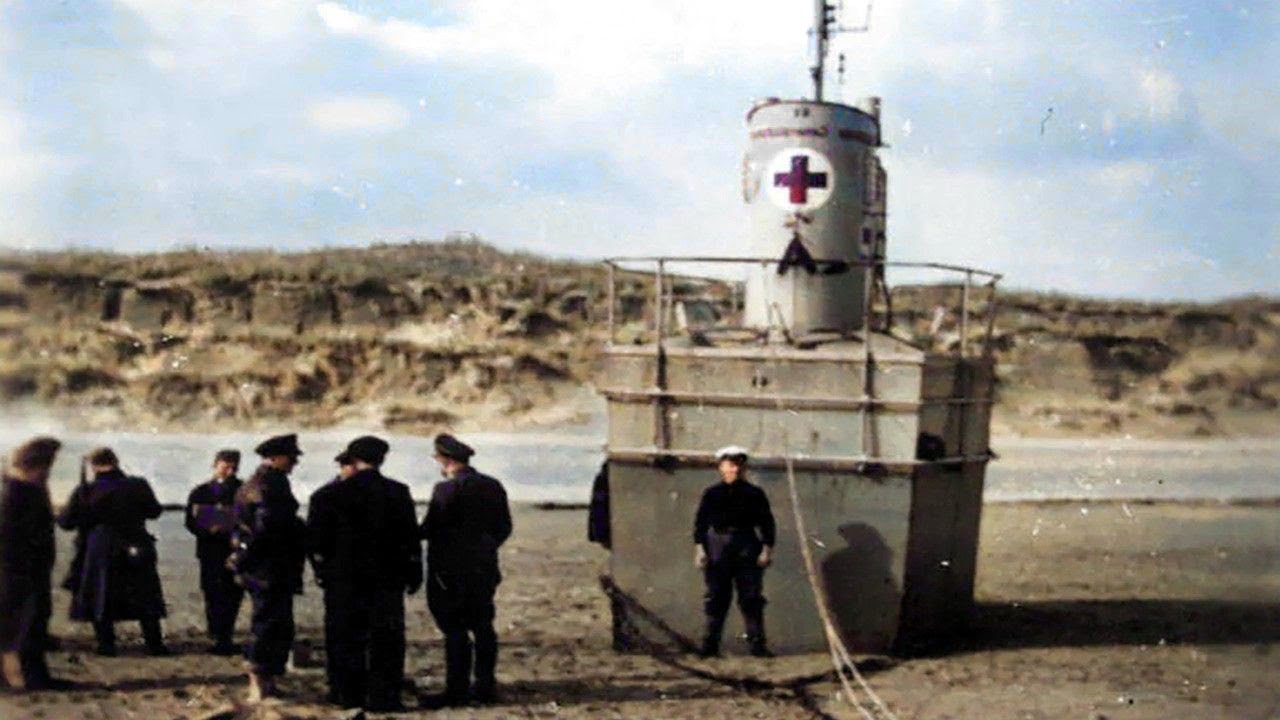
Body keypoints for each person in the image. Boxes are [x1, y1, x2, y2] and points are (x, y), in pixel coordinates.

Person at [307, 437, 421, 711]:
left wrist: (322, 572)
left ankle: (345, 694)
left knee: (344, 636)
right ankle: (385, 697)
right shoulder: (398, 492)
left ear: (353, 461)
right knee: (386, 639)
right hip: (387, 579)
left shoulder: (327, 496)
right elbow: (410, 539)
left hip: (343, 580)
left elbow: (314, 543)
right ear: (382, 459)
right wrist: (414, 573)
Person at [420, 433, 512, 708]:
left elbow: (430, 528)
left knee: (455, 629)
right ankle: (485, 686)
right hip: (484, 567)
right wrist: (487, 548)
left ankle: (457, 688)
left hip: (450, 571)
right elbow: (504, 527)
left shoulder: (446, 490)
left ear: (445, 460)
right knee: (483, 626)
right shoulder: (492, 485)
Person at [57, 447, 169, 657]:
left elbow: (66, 522)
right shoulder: (137, 485)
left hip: (100, 548)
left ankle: (106, 645)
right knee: (144, 596)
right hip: (135, 545)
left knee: (101, 596)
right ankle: (155, 644)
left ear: (93, 466)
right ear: (116, 461)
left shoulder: (85, 491)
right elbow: (154, 511)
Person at [229, 433, 306, 702]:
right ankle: (258, 683)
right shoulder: (265, 486)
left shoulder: (270, 482)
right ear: (275, 457)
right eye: (291, 457)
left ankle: (267, 680)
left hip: (270, 566)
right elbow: (266, 530)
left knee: (275, 623)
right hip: (267, 567)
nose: (295, 462)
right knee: (266, 624)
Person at [692, 445, 776, 658]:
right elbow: (700, 524)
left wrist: (766, 550)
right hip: (717, 547)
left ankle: (758, 647)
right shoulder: (712, 494)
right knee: (716, 597)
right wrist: (700, 550)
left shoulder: (754, 494)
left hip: (746, 545)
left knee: (751, 598)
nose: (734, 469)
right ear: (721, 467)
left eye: (738, 465)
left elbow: (767, 523)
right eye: (729, 465)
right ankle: (709, 648)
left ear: (744, 467)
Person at [0, 437, 69, 691]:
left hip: (20, 570)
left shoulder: (17, 488)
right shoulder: (19, 493)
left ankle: (21, 677)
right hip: (21, 571)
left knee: (16, 625)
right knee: (28, 624)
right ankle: (34, 678)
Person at [184, 449, 245, 655]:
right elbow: (190, 521)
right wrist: (207, 530)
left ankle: (225, 635)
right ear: (216, 464)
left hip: (234, 549)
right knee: (212, 592)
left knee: (233, 593)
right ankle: (216, 634)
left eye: (234, 467)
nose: (230, 471)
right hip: (210, 550)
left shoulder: (243, 490)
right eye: (226, 466)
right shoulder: (201, 491)